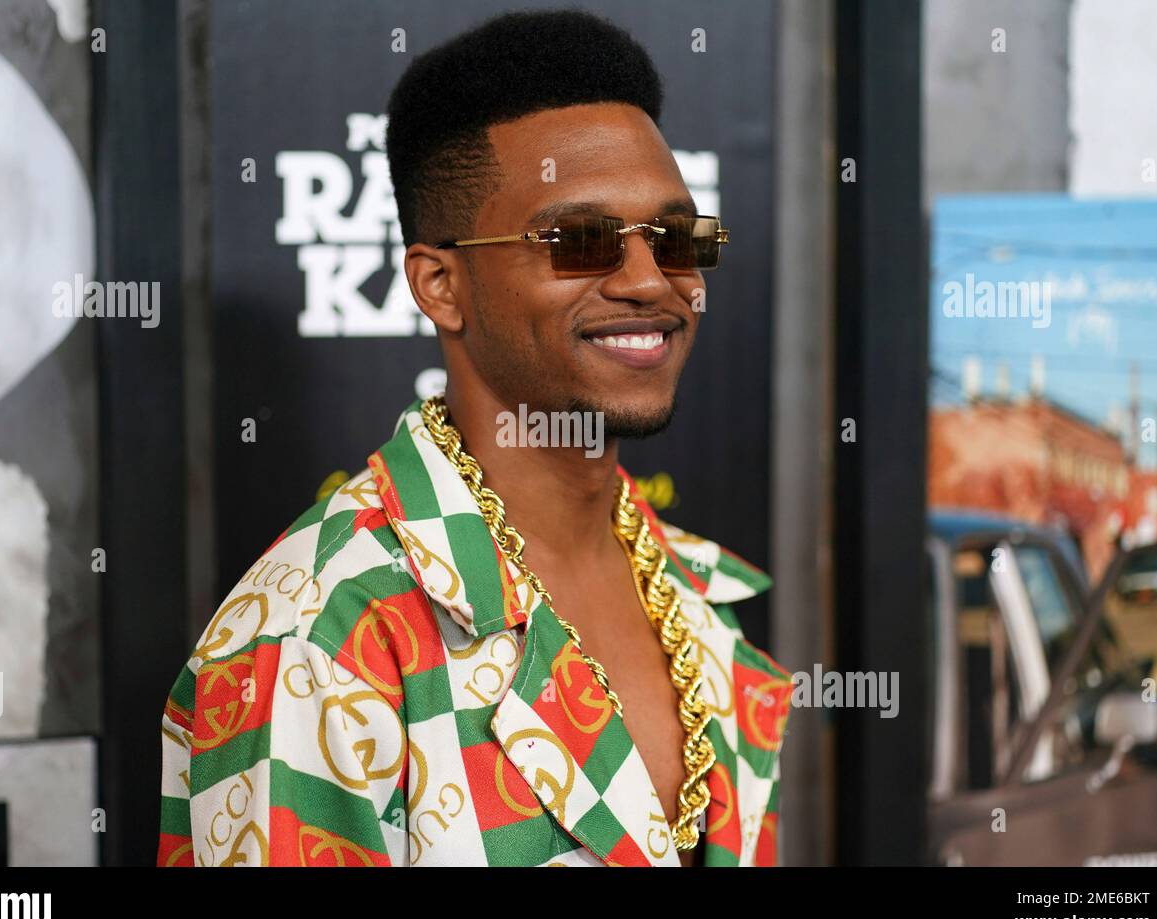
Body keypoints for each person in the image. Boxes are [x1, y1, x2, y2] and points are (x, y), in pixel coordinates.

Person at [157, 7, 791, 868]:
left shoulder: (696, 593)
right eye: (578, 240)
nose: (650, 279)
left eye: (674, 237)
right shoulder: (322, 629)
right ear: (441, 285)